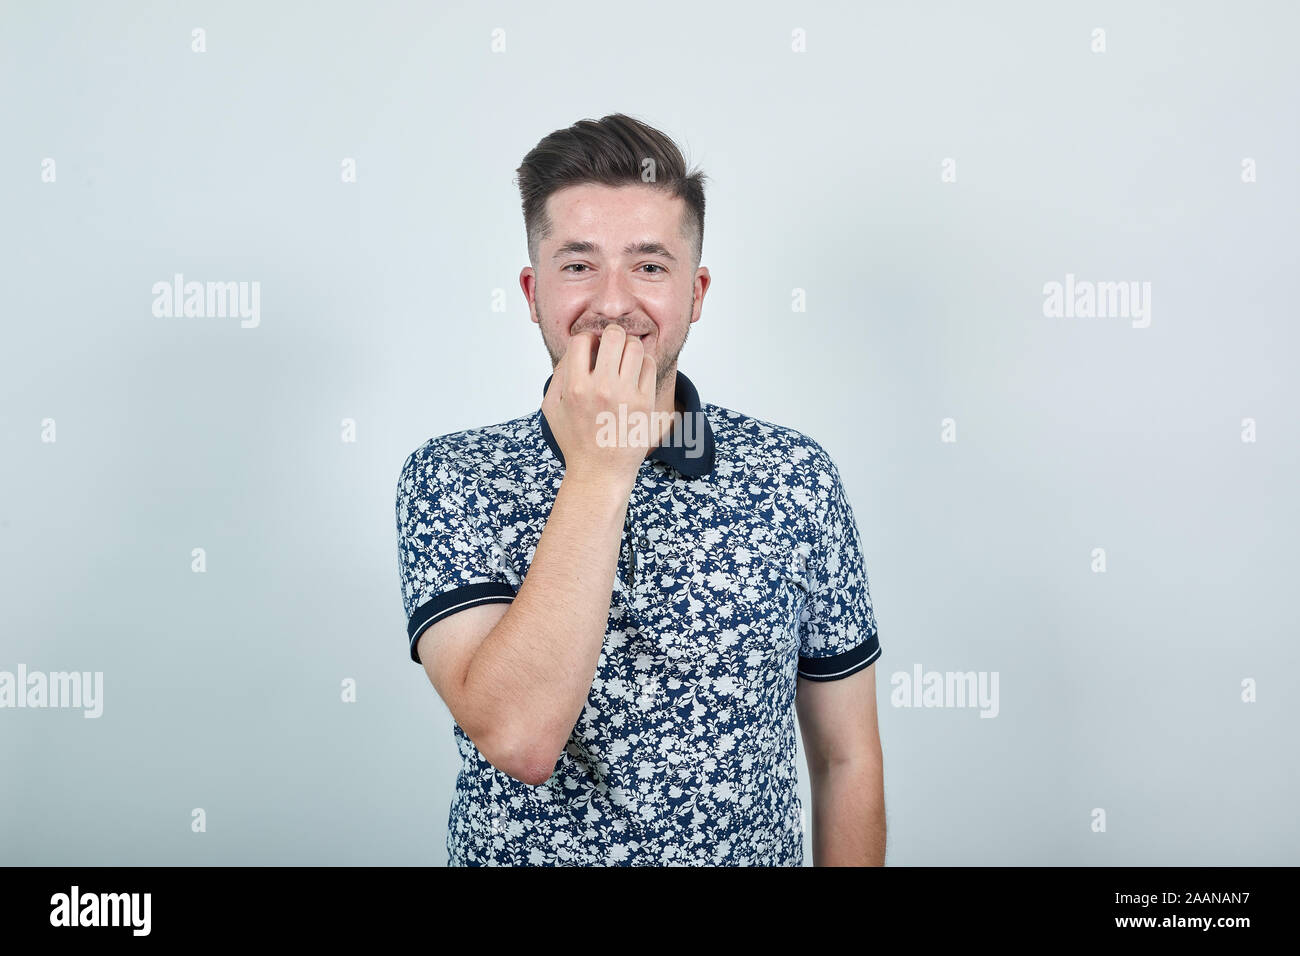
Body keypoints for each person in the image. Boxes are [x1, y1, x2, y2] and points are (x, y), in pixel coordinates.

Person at [395, 113, 885, 866]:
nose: (614, 302)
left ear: (696, 292)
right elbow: (521, 739)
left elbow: (846, 757)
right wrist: (602, 462)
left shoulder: (795, 477)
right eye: (578, 264)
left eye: (650, 267)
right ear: (533, 291)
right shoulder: (453, 480)